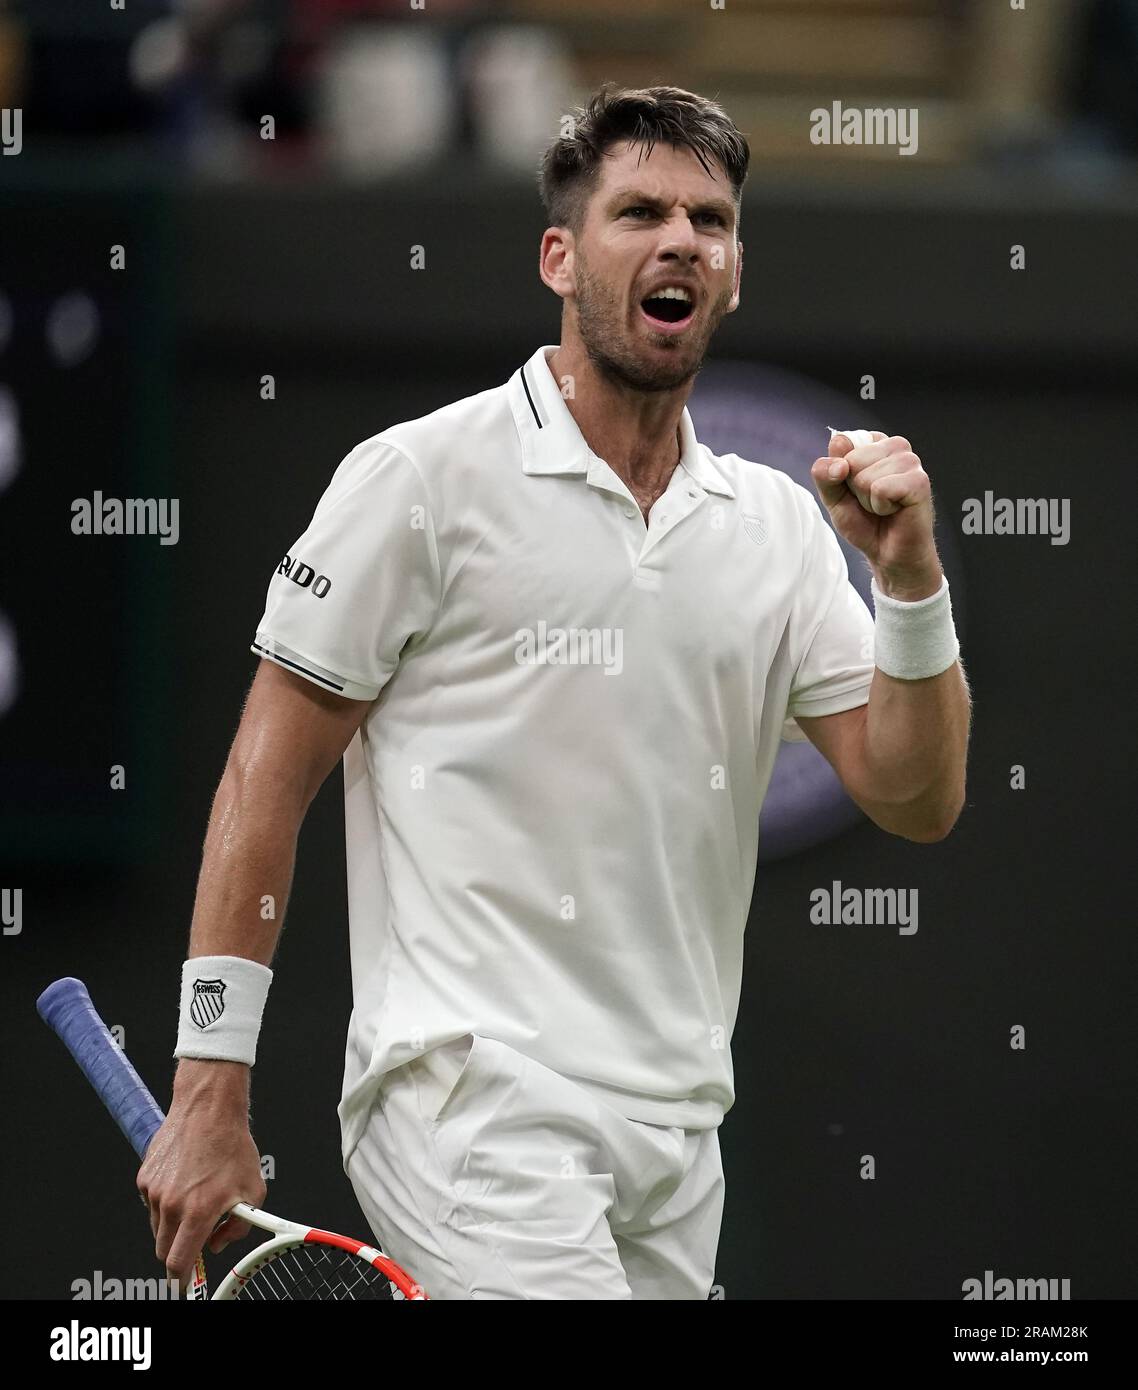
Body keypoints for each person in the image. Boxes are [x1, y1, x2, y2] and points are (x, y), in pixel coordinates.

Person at [137, 84, 971, 1300]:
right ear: (559, 256)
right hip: (470, 1100)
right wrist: (209, 1085)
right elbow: (267, 774)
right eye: (639, 211)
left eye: (710, 220)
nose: (681, 239)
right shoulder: (419, 477)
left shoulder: (782, 530)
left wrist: (909, 583)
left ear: (733, 272)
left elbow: (915, 796)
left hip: (678, 1137)